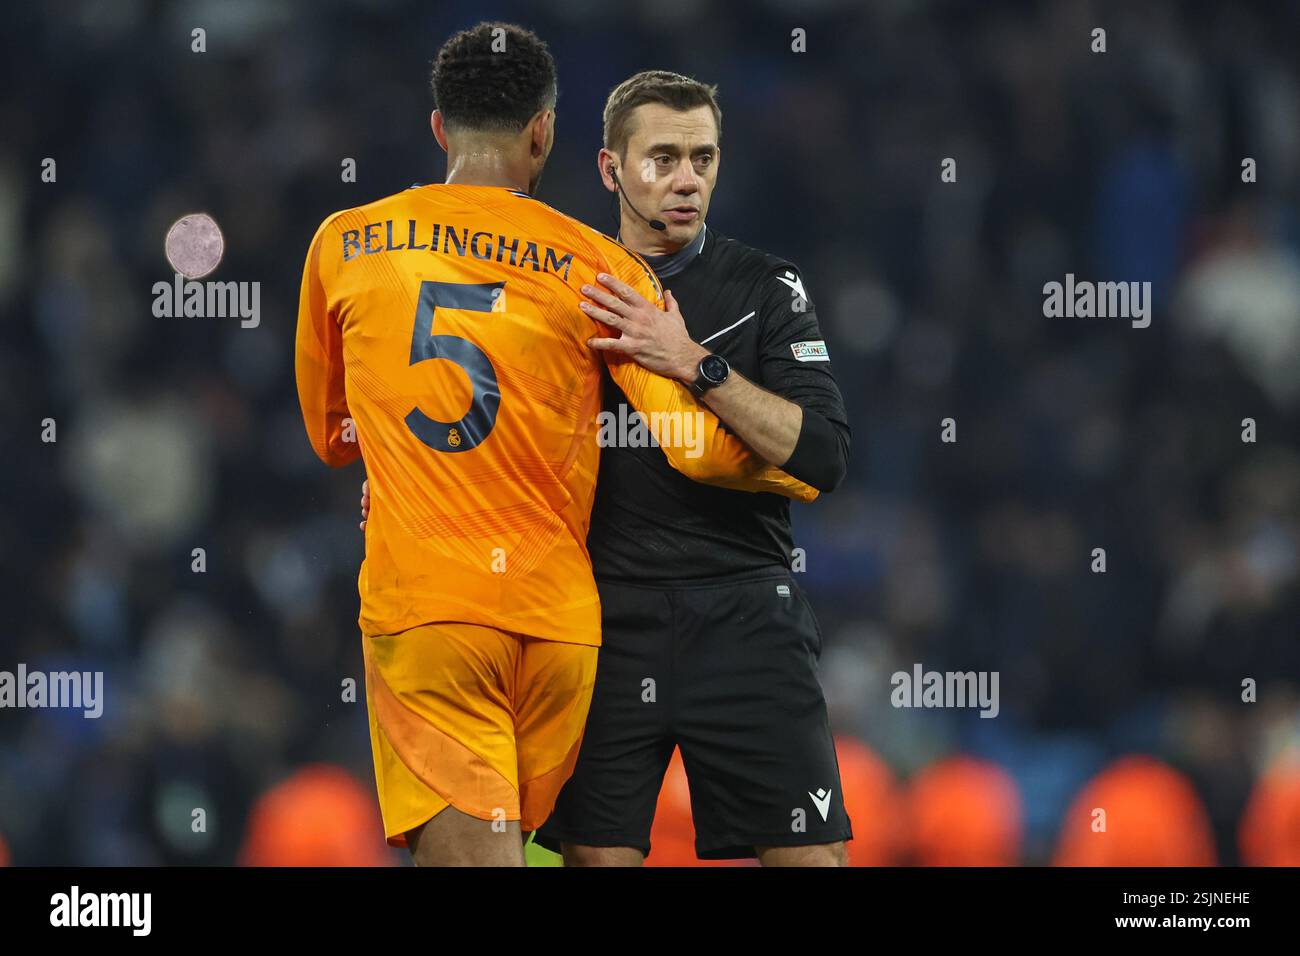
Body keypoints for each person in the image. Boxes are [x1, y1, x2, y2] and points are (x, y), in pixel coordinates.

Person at [298, 25, 814, 867]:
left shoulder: (347, 242)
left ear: (439, 128)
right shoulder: (599, 268)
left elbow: (332, 435)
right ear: (543, 130)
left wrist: (397, 454)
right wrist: (799, 470)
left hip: (432, 612)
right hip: (561, 630)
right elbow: (689, 445)